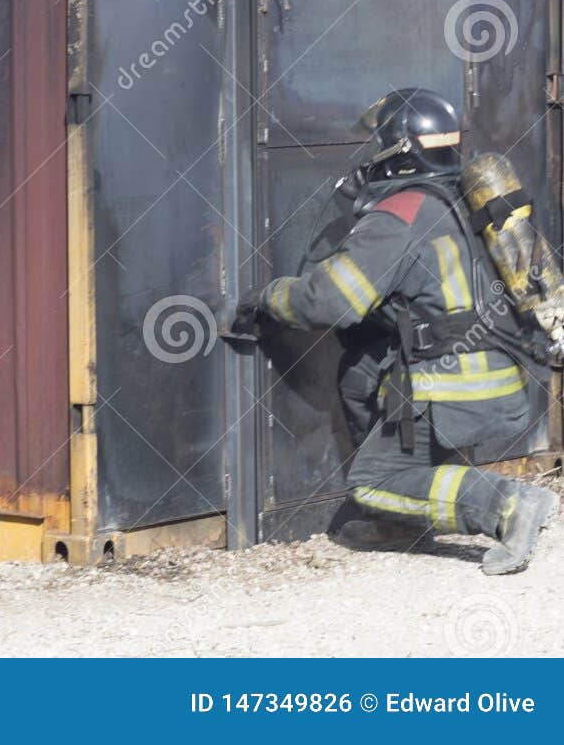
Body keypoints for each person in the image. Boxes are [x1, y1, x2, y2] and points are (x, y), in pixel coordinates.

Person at [232, 88, 556, 574]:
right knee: (364, 370)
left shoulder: (401, 213)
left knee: (373, 482)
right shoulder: (464, 202)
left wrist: (264, 297)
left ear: (400, 150)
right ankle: (401, 526)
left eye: (379, 143)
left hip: (451, 386)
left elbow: (331, 301)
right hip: (500, 380)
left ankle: (506, 504)